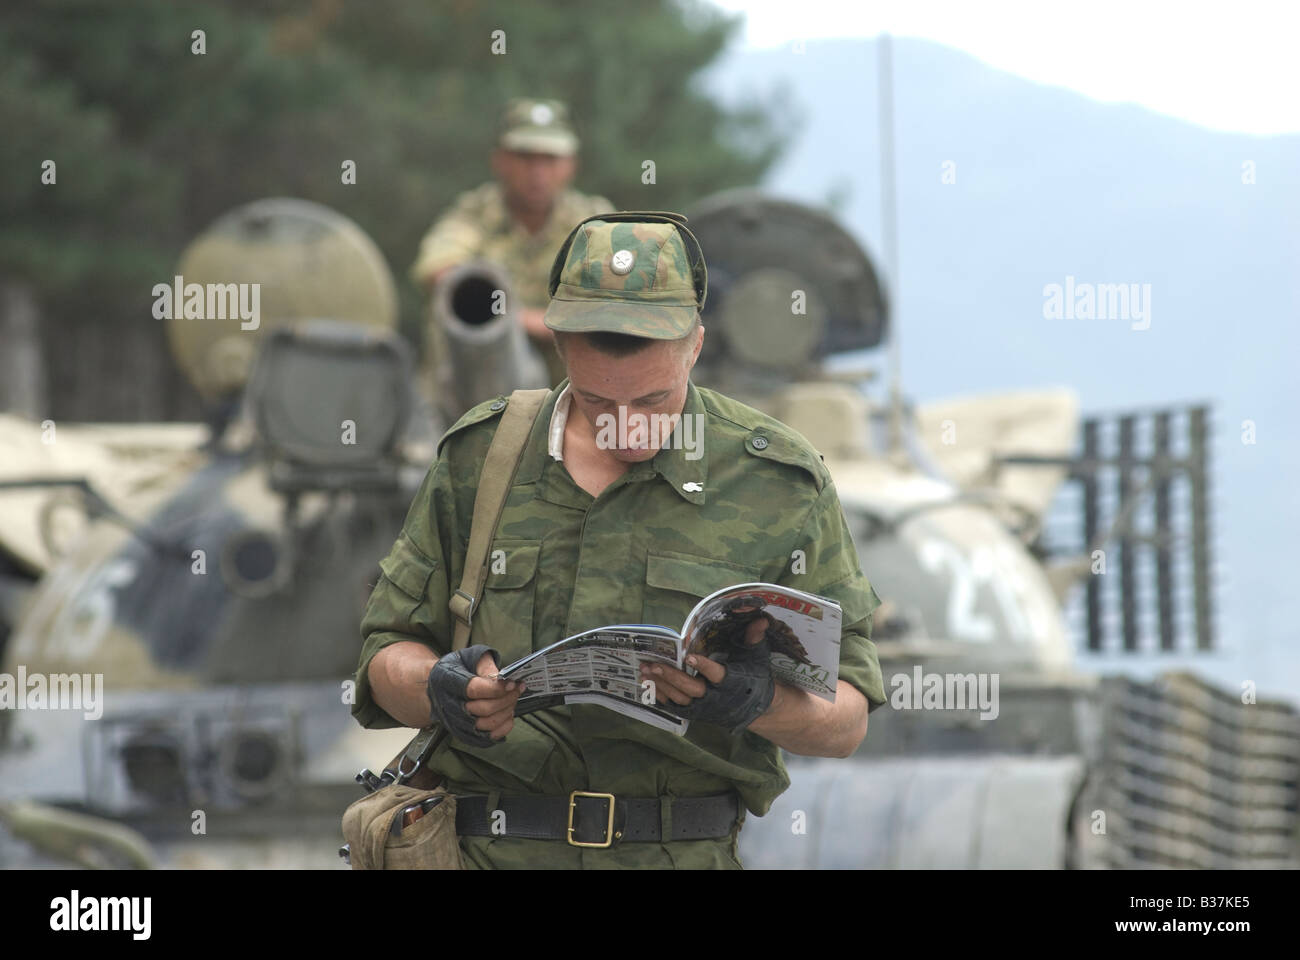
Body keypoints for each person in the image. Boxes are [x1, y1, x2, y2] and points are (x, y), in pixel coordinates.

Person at [355, 212, 886, 869]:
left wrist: (758, 702)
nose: (624, 430)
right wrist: (439, 687)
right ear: (558, 345)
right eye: (597, 402)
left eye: (653, 402)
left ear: (695, 344)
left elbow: (849, 717)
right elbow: (384, 657)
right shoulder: (482, 458)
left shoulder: (777, 481)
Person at [410, 98, 612, 386]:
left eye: (550, 159)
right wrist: (512, 321)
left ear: (571, 165)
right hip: (474, 388)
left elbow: (623, 294)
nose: (538, 173)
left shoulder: (593, 222)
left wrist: (541, 324)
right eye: (525, 157)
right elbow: (440, 271)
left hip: (575, 391)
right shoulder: (474, 214)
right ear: (500, 161)